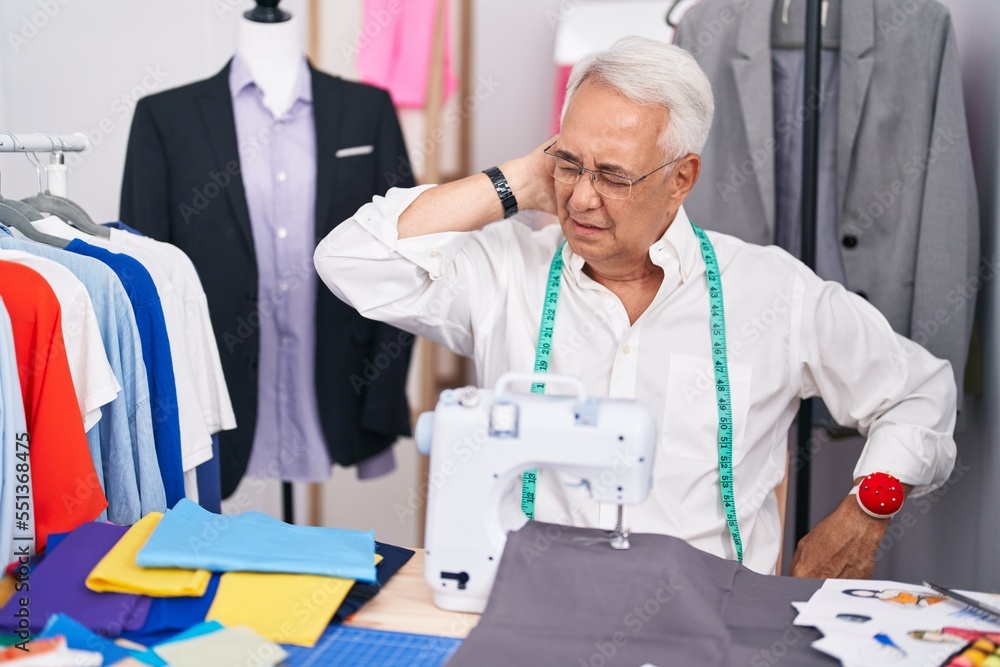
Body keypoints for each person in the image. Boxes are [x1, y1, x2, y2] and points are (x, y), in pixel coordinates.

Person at [314, 36, 956, 577]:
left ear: (682, 178)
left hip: (708, 632)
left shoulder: (771, 293)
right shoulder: (504, 271)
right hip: (532, 615)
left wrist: (866, 512)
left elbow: (920, 393)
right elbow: (348, 260)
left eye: (614, 176)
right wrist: (518, 182)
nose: (582, 199)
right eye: (569, 164)